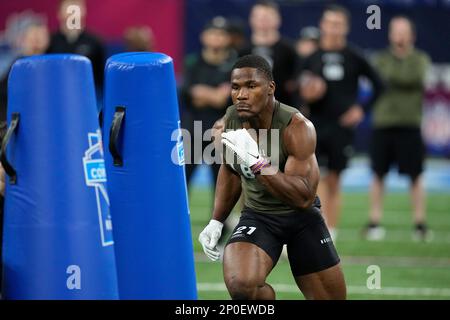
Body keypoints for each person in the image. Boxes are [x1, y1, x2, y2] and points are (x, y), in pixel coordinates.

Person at [198, 54, 346, 300]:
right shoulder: (230, 120)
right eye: (235, 87)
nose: (241, 95)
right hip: (259, 216)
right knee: (241, 286)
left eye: (251, 86)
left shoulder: (297, 127)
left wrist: (258, 162)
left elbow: (302, 198)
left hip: (301, 219)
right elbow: (231, 170)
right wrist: (217, 220)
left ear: (270, 88)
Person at [299, 5, 384, 240]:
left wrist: (360, 110)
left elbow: (379, 85)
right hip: (313, 126)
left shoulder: (355, 56)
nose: (334, 29)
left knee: (334, 179)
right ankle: (311, 228)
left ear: (345, 28)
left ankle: (331, 232)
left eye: (338, 24)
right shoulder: (310, 58)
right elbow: (296, 88)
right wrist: (305, 98)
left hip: (341, 128)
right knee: (311, 179)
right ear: (322, 25)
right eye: (330, 23)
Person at [365, 16, 431, 241]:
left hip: (410, 124)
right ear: (390, 34)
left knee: (416, 175)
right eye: (396, 31)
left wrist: (389, 78)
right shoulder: (382, 58)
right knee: (378, 174)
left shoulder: (420, 59)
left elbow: (413, 77)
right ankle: (374, 221)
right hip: (383, 124)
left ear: (411, 35)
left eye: (404, 31)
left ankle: (420, 222)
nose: (400, 36)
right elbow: (378, 80)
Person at [180, 16, 237, 189]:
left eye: (221, 34)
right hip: (193, 130)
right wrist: (216, 94)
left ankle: (220, 218)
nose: (217, 38)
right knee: (182, 182)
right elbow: (189, 96)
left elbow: (226, 100)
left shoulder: (235, 64)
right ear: (204, 36)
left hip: (222, 131)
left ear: (228, 39)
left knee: (222, 185)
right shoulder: (192, 62)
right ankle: (178, 217)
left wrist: (203, 93)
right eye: (213, 33)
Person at [241, 0, 298, 106]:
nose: (263, 21)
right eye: (259, 17)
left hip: (283, 113)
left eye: (267, 17)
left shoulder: (290, 50)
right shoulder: (242, 50)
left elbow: (296, 84)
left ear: (278, 19)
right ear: (251, 19)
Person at [47, 0, 105, 91]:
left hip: (87, 96)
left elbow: (101, 79)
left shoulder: (95, 42)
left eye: (77, 6)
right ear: (59, 13)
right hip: (55, 94)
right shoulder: (48, 41)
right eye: (69, 6)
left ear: (84, 11)